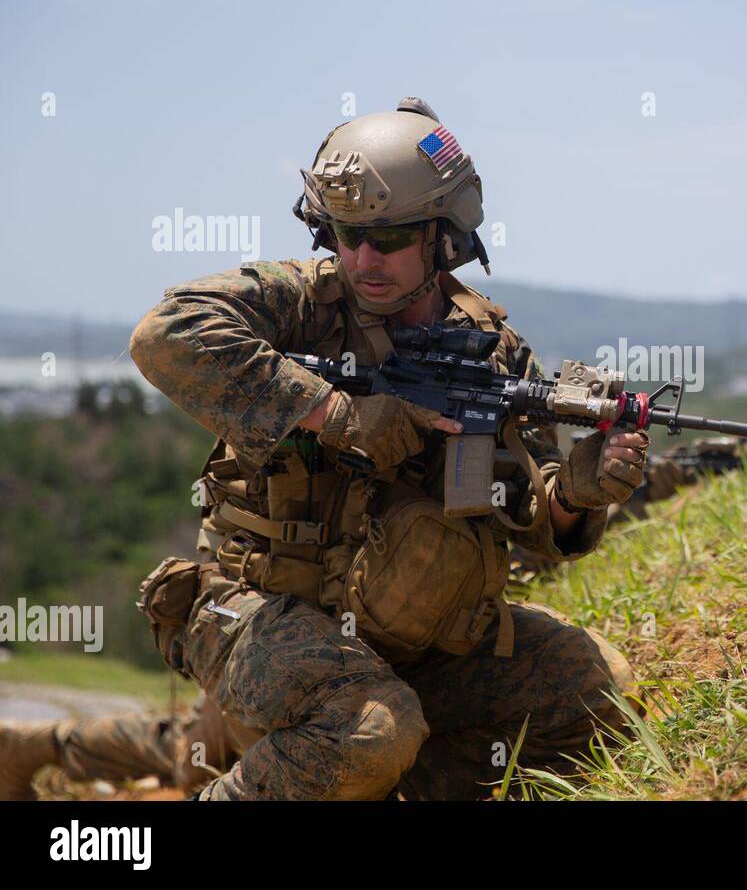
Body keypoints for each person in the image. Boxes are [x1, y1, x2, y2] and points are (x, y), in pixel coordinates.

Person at [0, 97, 649, 801]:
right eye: (345, 233)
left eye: (391, 237)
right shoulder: (300, 303)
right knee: (364, 730)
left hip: (407, 638)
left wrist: (577, 496)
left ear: (444, 237)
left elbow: (529, 517)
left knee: (592, 695)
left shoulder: (494, 352)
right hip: (257, 617)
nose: (364, 258)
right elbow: (163, 334)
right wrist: (337, 414)